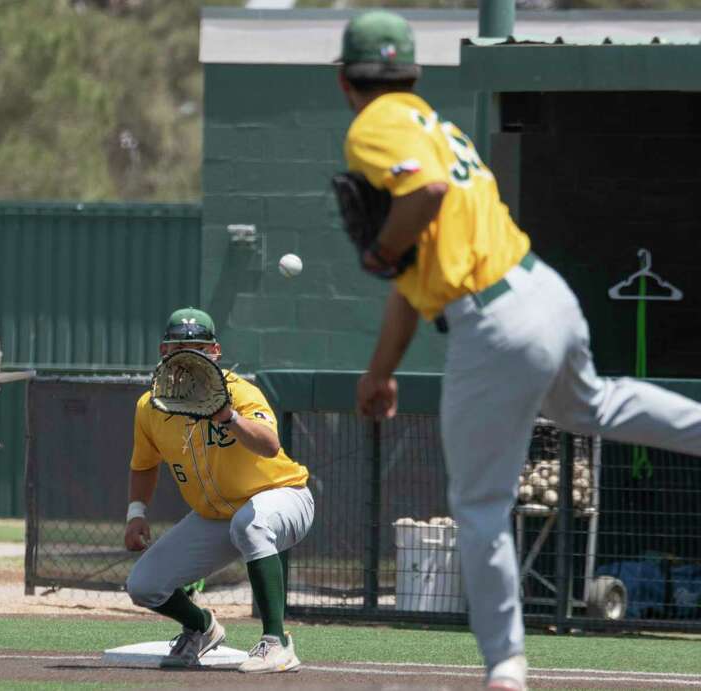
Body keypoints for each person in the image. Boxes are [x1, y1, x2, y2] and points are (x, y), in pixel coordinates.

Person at [336, 11, 701, 690]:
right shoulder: (436, 125)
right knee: (592, 405)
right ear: (413, 73)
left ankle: (505, 666)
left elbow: (424, 194)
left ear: (344, 82)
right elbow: (412, 284)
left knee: (480, 503)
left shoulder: (374, 125)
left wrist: (382, 248)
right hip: (545, 292)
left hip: (494, 322)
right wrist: (379, 374)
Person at [124, 307, 314, 673]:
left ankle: (277, 642)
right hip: (217, 516)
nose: (189, 356)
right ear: (164, 351)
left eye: (199, 348)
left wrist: (229, 417)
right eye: (180, 348)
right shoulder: (151, 406)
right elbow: (144, 464)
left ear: (215, 352)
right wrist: (136, 513)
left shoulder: (238, 392)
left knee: (251, 524)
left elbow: (270, 445)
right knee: (143, 584)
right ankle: (201, 627)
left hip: (284, 498)